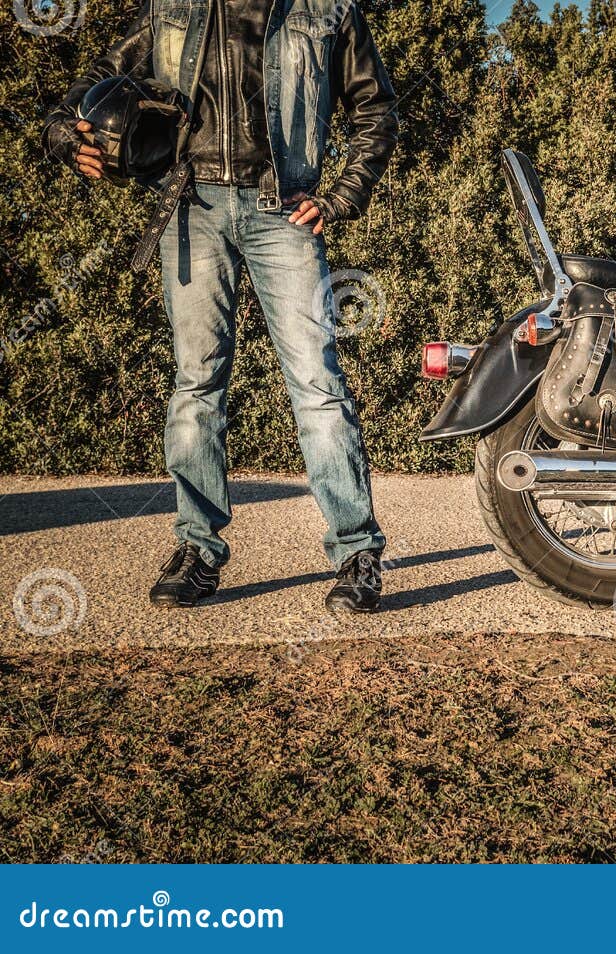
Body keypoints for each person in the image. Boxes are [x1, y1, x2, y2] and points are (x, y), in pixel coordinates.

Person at [44, 0, 399, 613]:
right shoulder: (169, 6)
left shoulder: (329, 8)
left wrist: (343, 194)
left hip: (282, 207)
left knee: (318, 382)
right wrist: (60, 132)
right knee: (196, 385)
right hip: (190, 207)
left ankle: (357, 552)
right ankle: (198, 551)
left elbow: (376, 106)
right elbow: (97, 80)